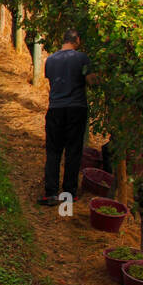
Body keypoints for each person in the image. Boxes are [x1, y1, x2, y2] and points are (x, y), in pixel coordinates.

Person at [39, 29, 101, 205]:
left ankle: (50, 193)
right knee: (73, 151)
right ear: (77, 40)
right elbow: (92, 82)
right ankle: (69, 193)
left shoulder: (50, 60)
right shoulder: (82, 58)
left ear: (63, 40)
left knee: (53, 151)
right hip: (76, 108)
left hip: (55, 109)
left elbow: (52, 81)